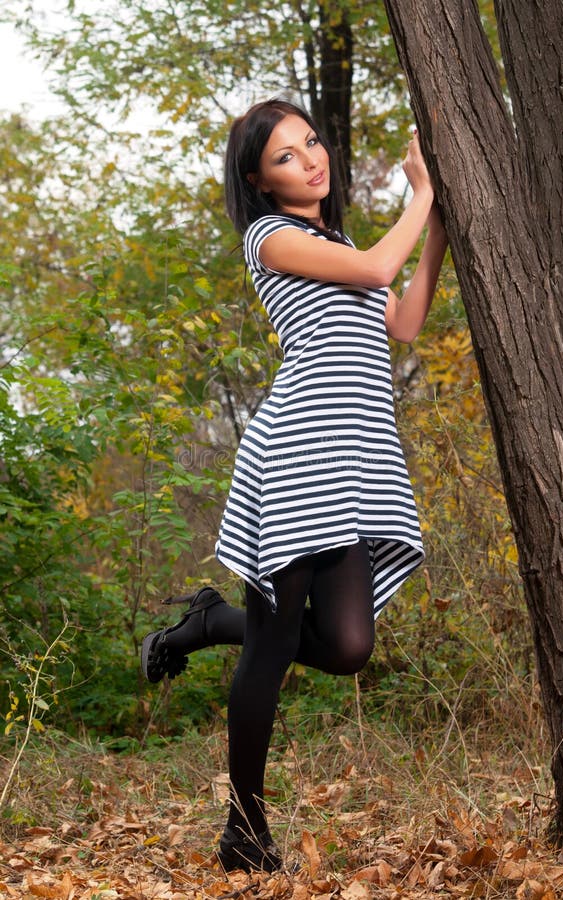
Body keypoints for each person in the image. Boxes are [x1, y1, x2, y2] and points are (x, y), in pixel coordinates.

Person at [141, 97, 448, 874]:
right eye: (286, 155)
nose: (311, 159)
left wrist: (438, 224)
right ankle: (241, 831)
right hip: (297, 457)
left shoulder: (334, 239)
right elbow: (381, 269)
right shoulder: (272, 237)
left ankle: (210, 622)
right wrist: (421, 195)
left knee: (346, 646)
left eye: (312, 142)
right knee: (273, 651)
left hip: (354, 462)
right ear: (259, 179)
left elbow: (402, 321)